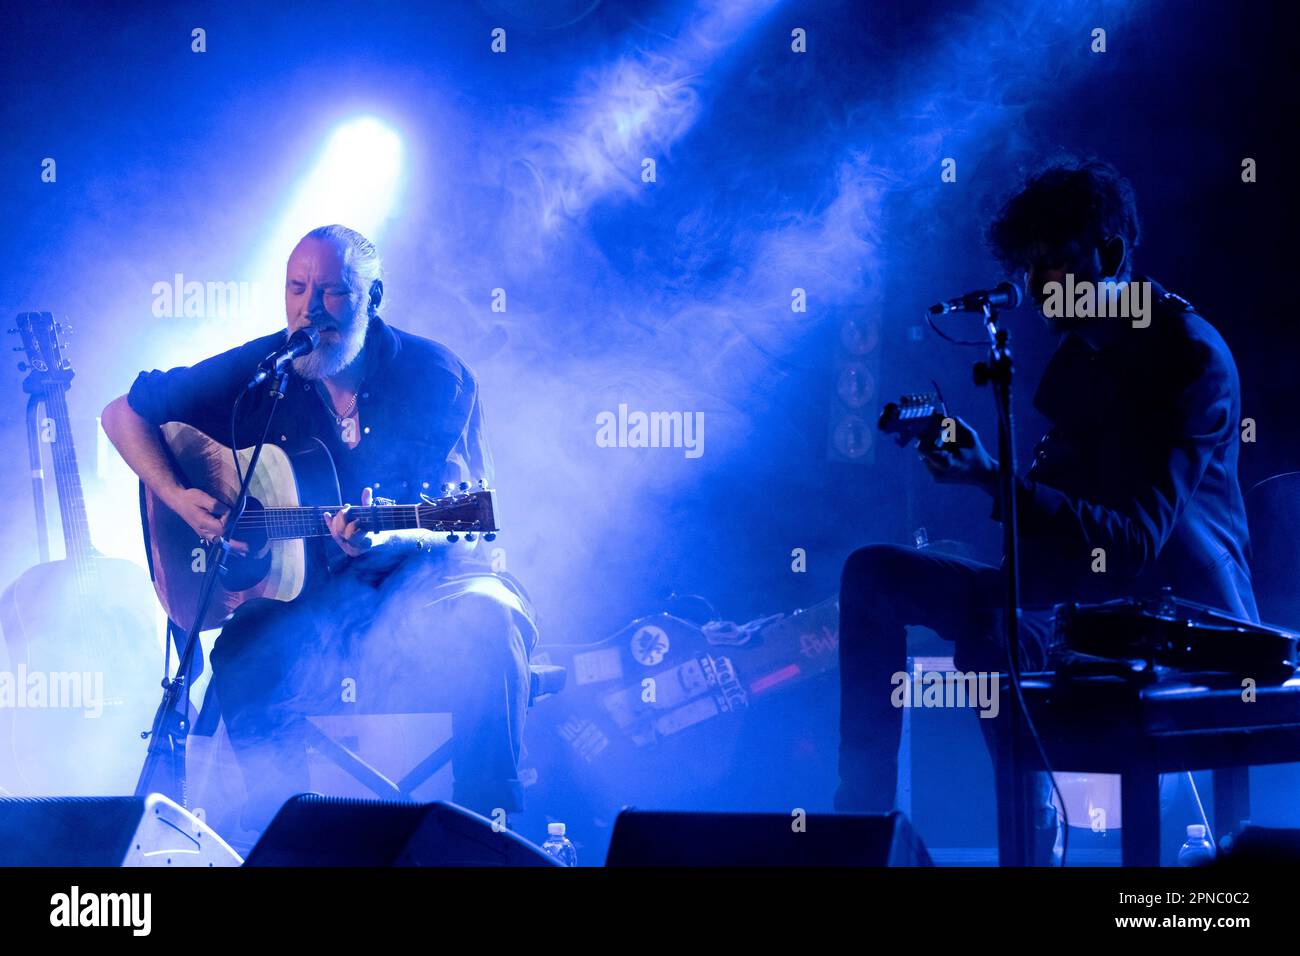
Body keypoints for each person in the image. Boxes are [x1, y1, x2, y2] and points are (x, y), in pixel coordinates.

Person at [834, 160, 1256, 861]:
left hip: (1175, 617)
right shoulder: (1076, 361)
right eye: (1028, 269)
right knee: (873, 574)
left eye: (1057, 264)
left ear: (1113, 253)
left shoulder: (1188, 357)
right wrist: (976, 470)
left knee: (995, 628)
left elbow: (1132, 541)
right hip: (1076, 604)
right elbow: (1054, 521)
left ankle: (1033, 836)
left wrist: (993, 479)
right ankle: (865, 837)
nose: (1038, 289)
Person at [102, 224, 536, 833]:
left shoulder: (435, 378)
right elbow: (122, 413)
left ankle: (484, 833)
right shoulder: (267, 369)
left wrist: (391, 534)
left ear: (373, 296)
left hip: (427, 586)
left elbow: (463, 517)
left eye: (331, 292)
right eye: (296, 288)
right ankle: (288, 836)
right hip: (310, 600)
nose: (309, 308)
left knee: (487, 617)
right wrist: (178, 498)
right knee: (243, 653)